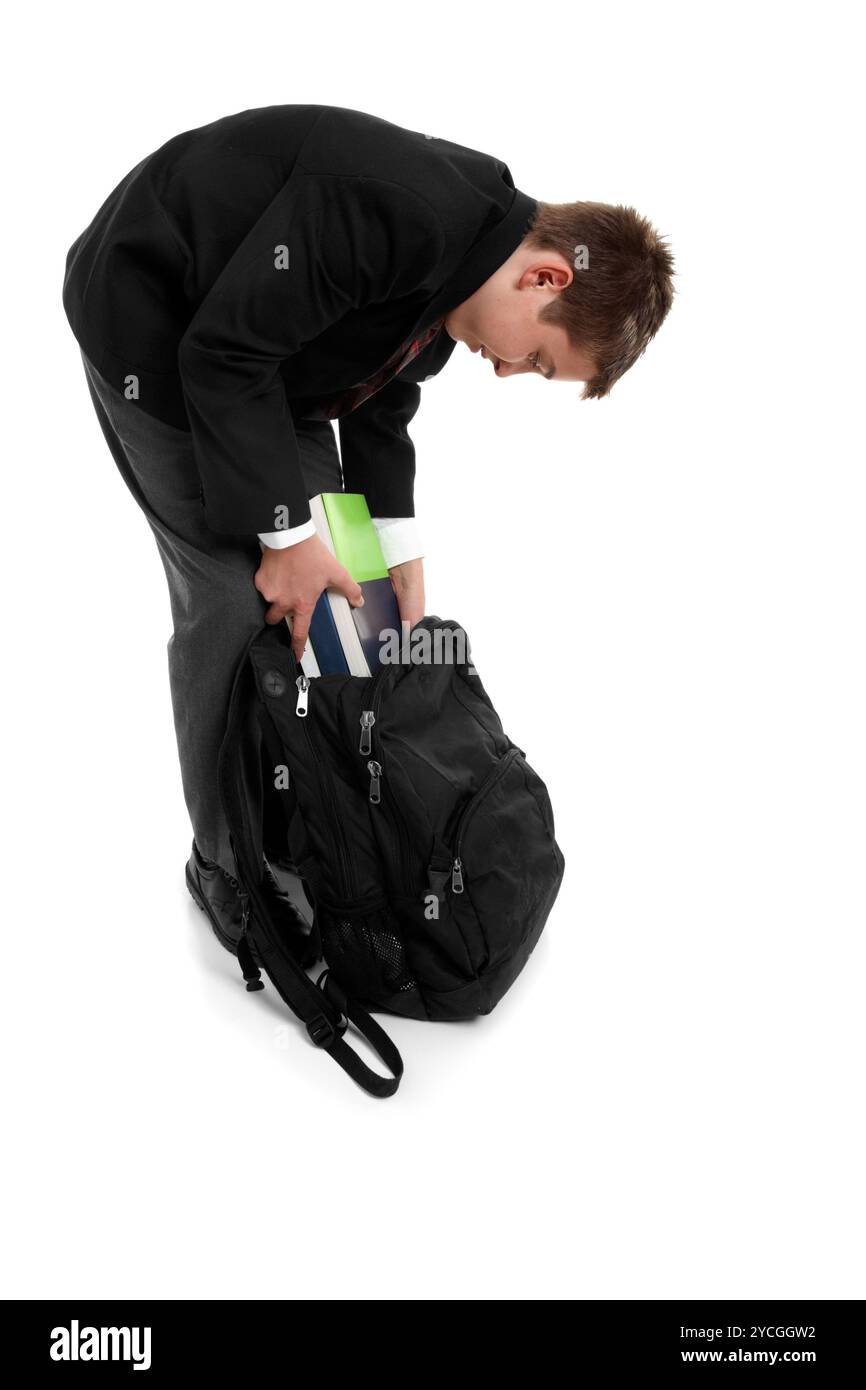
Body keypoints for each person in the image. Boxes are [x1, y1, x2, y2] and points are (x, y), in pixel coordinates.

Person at [63, 103, 674, 960]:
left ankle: (321, 809)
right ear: (546, 280)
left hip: (274, 363)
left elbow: (385, 390)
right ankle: (224, 865)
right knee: (240, 603)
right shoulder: (405, 212)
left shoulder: (475, 258)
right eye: (536, 359)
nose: (506, 373)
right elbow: (221, 357)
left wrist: (393, 539)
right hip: (164, 334)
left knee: (361, 605)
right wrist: (283, 538)